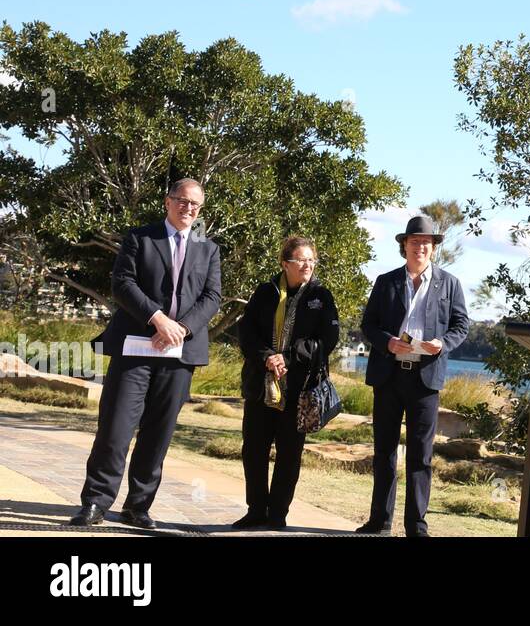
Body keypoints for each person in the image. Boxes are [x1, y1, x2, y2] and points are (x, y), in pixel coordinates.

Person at [72, 178, 223, 528]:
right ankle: (95, 501)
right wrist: (157, 319)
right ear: (168, 201)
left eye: (195, 205)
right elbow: (123, 283)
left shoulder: (208, 248)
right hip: (135, 348)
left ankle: (138, 506)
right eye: (182, 201)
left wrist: (180, 328)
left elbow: (212, 297)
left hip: (179, 353)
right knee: (115, 428)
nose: (189, 209)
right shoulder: (140, 237)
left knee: (158, 433)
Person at [356, 215, 469, 536]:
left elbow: (462, 326)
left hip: (426, 378)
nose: (420, 247)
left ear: (433, 248)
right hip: (389, 376)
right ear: (404, 245)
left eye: (426, 243)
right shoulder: (385, 281)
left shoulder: (450, 284)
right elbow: (368, 325)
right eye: (414, 241)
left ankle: (416, 526)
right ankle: (379, 522)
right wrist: (387, 343)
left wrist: (442, 344)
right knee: (384, 453)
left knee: (421, 456)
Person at [232, 236, 339, 530]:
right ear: (285, 263)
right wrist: (268, 357)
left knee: (290, 453)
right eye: (301, 260)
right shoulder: (266, 292)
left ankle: (277, 514)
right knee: (254, 449)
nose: (307, 265)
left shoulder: (321, 296)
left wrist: (288, 358)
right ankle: (256, 510)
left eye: (311, 260)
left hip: (299, 388)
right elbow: (247, 331)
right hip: (260, 383)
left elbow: (327, 340)